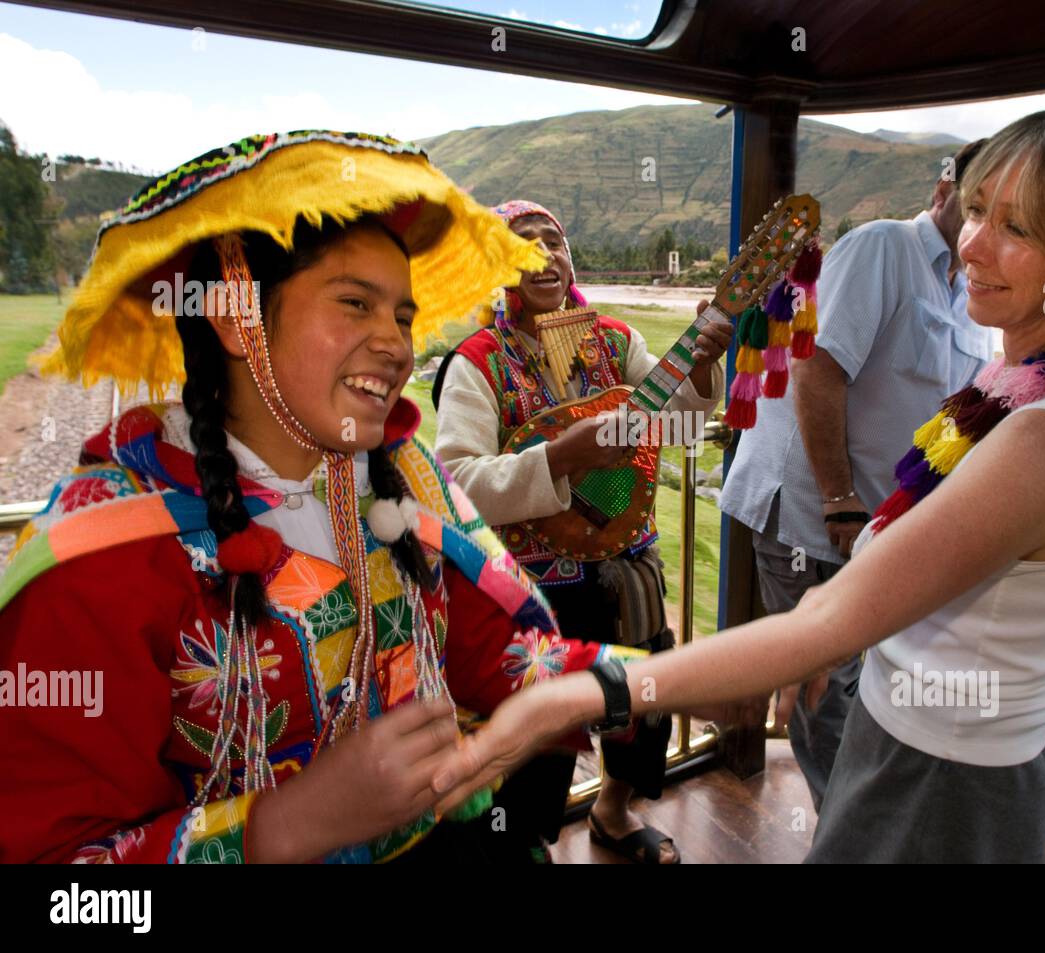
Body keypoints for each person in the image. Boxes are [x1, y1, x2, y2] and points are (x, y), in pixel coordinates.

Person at [424, 107, 1045, 863]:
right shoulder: (1025, 382)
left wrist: (578, 695)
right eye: (978, 209)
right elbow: (901, 567)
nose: (974, 244)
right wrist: (846, 628)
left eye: (1016, 226)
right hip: (919, 733)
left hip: (944, 772)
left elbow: (827, 593)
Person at [0, 131, 640, 864]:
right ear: (238, 316)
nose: (397, 345)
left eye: (401, 315)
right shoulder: (99, 558)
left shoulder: (409, 476)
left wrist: (653, 682)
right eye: (354, 303)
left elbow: (502, 657)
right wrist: (283, 823)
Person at [432, 199, 731, 863]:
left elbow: (679, 410)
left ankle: (611, 809)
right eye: (524, 242)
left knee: (639, 700)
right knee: (537, 727)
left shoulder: (614, 341)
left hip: (626, 563)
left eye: (555, 240)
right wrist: (559, 458)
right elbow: (455, 482)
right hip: (531, 588)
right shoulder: (476, 363)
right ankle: (527, 843)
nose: (544, 252)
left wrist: (703, 360)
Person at [721, 138, 993, 809]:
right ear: (942, 191)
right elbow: (819, 368)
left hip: (879, 529)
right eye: (978, 202)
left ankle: (857, 825)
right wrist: (840, 500)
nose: (986, 225)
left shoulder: (969, 293)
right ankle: (849, 833)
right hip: (815, 518)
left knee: (860, 683)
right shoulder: (884, 249)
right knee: (825, 692)